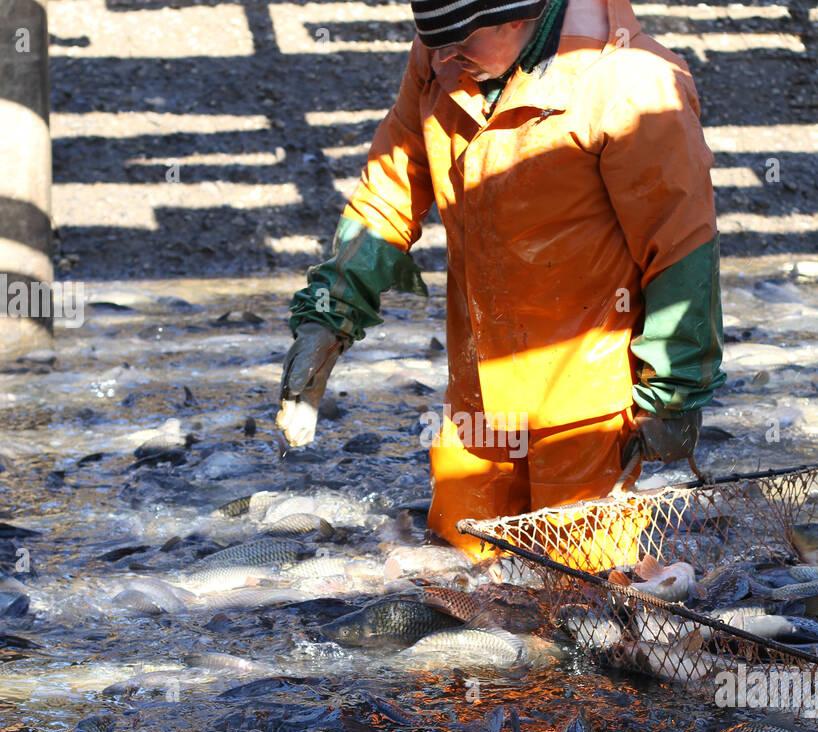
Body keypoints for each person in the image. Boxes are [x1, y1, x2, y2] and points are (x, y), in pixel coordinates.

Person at [274, 0, 724, 565]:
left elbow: (681, 247)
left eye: (459, 45)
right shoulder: (445, 52)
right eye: (432, 43)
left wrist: (675, 393)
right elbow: (390, 188)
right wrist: (327, 316)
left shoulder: (633, 85)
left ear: (518, 18)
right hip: (478, 393)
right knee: (455, 570)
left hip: (587, 405)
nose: (443, 59)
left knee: (580, 595)